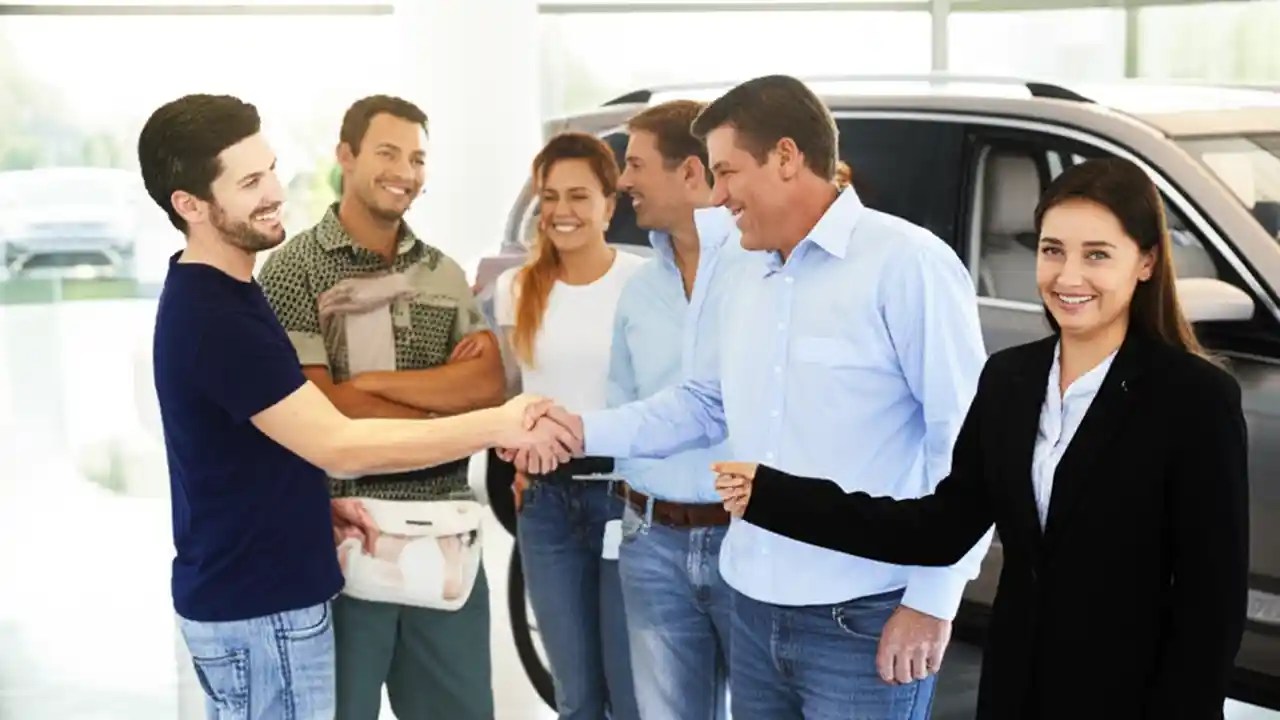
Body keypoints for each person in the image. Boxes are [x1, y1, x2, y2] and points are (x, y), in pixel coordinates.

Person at [520, 75, 993, 720]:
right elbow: (703, 403)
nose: (716, 196)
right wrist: (577, 430)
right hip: (752, 606)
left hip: (864, 617)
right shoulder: (740, 269)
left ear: (786, 158)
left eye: (726, 173)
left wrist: (933, 602)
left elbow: (966, 445)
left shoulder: (908, 264)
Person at [712, 157, 1251, 719]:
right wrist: (773, 496)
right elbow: (940, 529)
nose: (1068, 277)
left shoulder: (1194, 398)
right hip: (1017, 691)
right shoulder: (1010, 378)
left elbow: (1211, 604)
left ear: (1146, 262)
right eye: (1052, 250)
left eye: (1097, 255)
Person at [140, 93, 575, 720]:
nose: (275, 191)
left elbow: (265, 440)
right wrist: (498, 424)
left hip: (270, 591)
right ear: (190, 205)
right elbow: (337, 440)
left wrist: (306, 504)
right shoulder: (218, 316)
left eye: (271, 169)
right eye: (250, 182)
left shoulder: (230, 292)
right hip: (263, 610)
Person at [258, 94, 501, 720]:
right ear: (346, 155)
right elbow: (320, 411)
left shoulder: (443, 273)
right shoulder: (293, 270)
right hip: (339, 538)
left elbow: (487, 386)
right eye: (388, 153)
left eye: (417, 158)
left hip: (445, 539)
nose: (405, 172)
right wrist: (446, 411)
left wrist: (371, 385)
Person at [493, 131, 645, 720]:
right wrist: (517, 458)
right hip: (546, 504)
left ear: (610, 204)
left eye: (579, 195)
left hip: (623, 499)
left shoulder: (642, 284)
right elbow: (515, 396)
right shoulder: (516, 288)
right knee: (575, 697)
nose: (562, 210)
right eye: (550, 196)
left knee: (629, 695)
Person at [609, 100, 738, 720]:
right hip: (652, 543)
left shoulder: (763, 273)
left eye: (635, 164)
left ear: (690, 172)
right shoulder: (637, 289)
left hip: (749, 539)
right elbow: (623, 406)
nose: (622, 181)